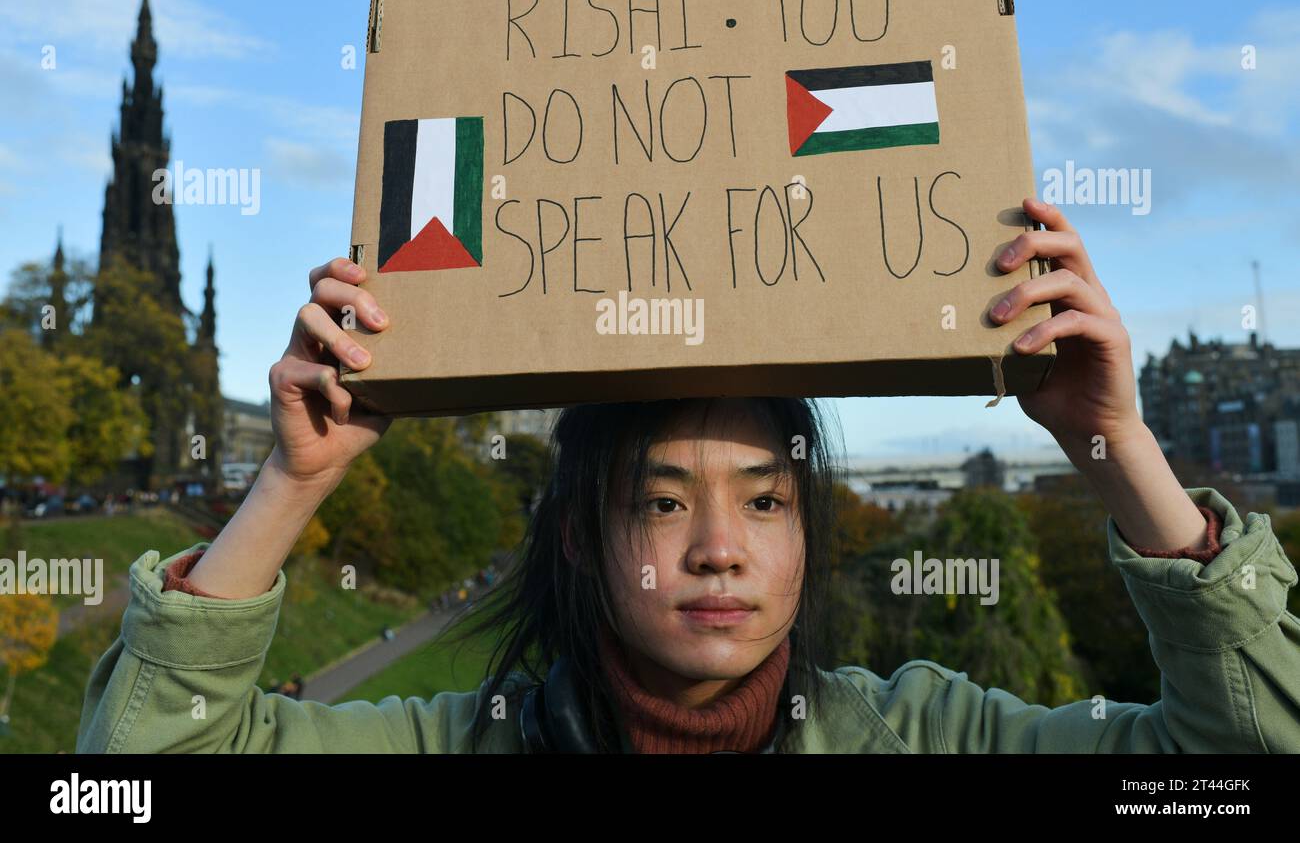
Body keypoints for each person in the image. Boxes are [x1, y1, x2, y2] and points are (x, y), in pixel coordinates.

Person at [75, 199, 1300, 753]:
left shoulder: (927, 732)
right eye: (662, 499)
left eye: (765, 498)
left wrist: (1112, 446)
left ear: (809, 529)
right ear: (579, 538)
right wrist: (291, 485)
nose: (720, 545)